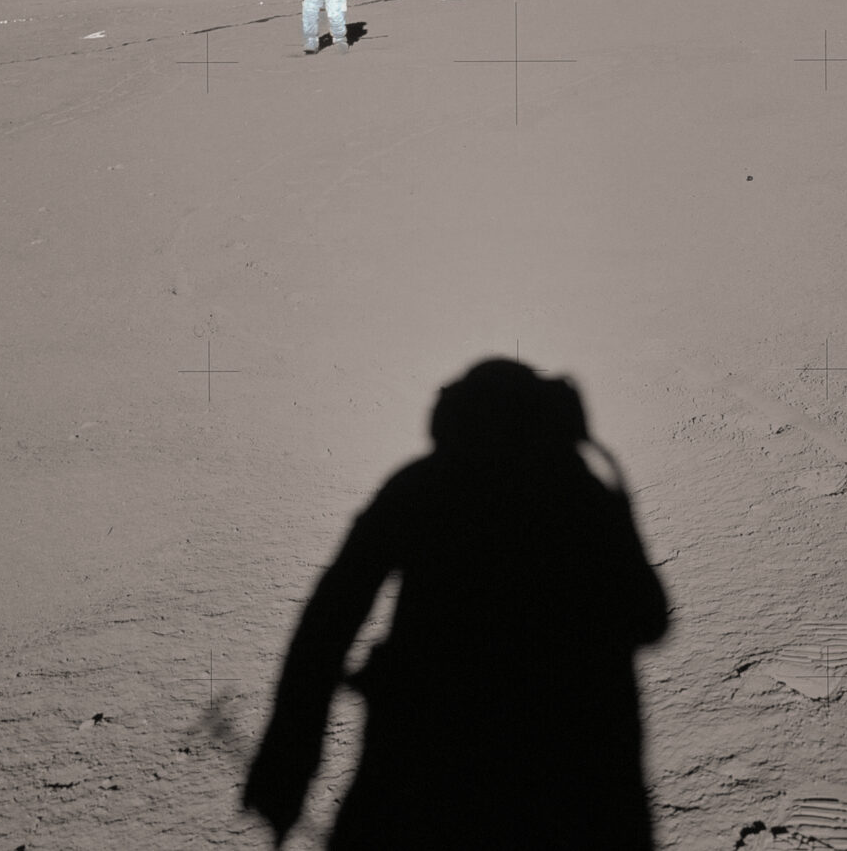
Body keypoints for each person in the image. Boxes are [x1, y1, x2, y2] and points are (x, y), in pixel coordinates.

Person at [242, 358, 670, 850]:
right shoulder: (580, 488)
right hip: (576, 783)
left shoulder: (422, 485)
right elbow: (650, 620)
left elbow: (330, 620)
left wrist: (287, 764)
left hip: (420, 773)